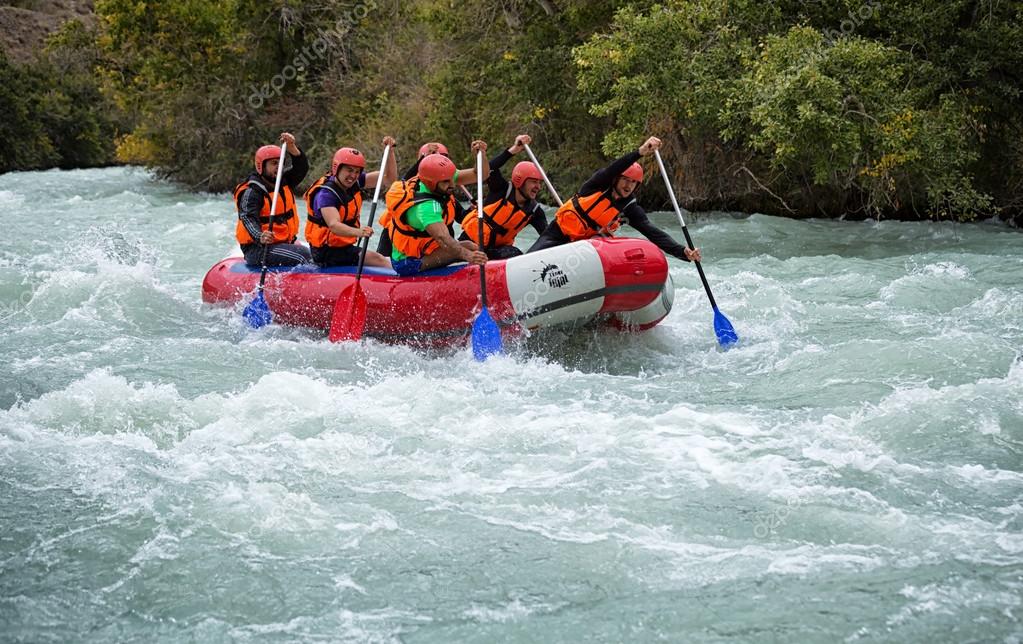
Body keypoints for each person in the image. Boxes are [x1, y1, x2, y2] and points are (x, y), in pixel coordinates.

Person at [526, 136, 702, 264]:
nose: (629, 186)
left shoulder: (629, 208)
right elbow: (614, 168)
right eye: (626, 179)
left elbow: (653, 233)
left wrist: (682, 252)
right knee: (530, 260)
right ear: (617, 179)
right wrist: (640, 152)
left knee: (602, 242)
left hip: (586, 247)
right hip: (559, 233)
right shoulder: (597, 185)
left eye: (634, 183)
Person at [385, 142, 490, 276]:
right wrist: (469, 256)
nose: (453, 184)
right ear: (431, 182)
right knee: (468, 249)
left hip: (426, 250)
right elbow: (443, 239)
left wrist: (481, 155)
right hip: (408, 262)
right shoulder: (425, 206)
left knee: (470, 246)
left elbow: (481, 175)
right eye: (446, 182)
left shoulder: (441, 176)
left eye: (452, 179)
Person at [304, 137, 397, 268]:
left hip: (343, 246)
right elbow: (334, 225)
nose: (353, 176)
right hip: (325, 252)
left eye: (357, 171)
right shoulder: (325, 195)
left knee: (379, 258)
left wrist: (390, 152)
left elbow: (390, 180)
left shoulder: (355, 182)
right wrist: (360, 232)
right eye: (349, 170)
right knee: (378, 259)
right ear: (337, 168)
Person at [460, 134, 548, 259]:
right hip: (470, 245)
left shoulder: (534, 212)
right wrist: (514, 150)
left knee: (514, 253)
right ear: (520, 180)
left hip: (494, 253)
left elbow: (547, 236)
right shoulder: (501, 189)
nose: (538, 187)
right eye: (534, 182)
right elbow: (490, 168)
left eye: (539, 183)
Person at [234, 132, 312, 267]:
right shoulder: (252, 192)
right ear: (261, 167)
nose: (279, 167)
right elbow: (248, 217)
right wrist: (260, 236)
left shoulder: (284, 181)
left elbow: (302, 168)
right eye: (274, 163)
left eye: (281, 163)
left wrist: (291, 146)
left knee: (308, 253)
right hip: (259, 248)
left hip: (282, 243)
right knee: (303, 255)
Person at [377, 141, 467, 257]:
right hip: (399, 242)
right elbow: (405, 179)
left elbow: (462, 216)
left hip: (430, 247)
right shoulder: (409, 188)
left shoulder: (446, 194)